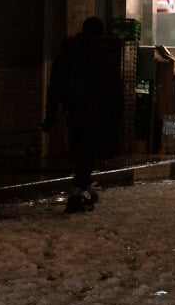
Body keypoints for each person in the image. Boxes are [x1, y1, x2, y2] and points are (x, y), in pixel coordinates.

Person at [43, 16, 121, 214]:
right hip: (96, 114)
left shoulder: (68, 52)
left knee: (79, 152)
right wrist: (115, 117)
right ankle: (77, 191)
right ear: (100, 33)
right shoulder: (102, 54)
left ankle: (83, 188)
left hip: (73, 112)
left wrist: (51, 113)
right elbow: (113, 87)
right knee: (88, 154)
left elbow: (55, 85)